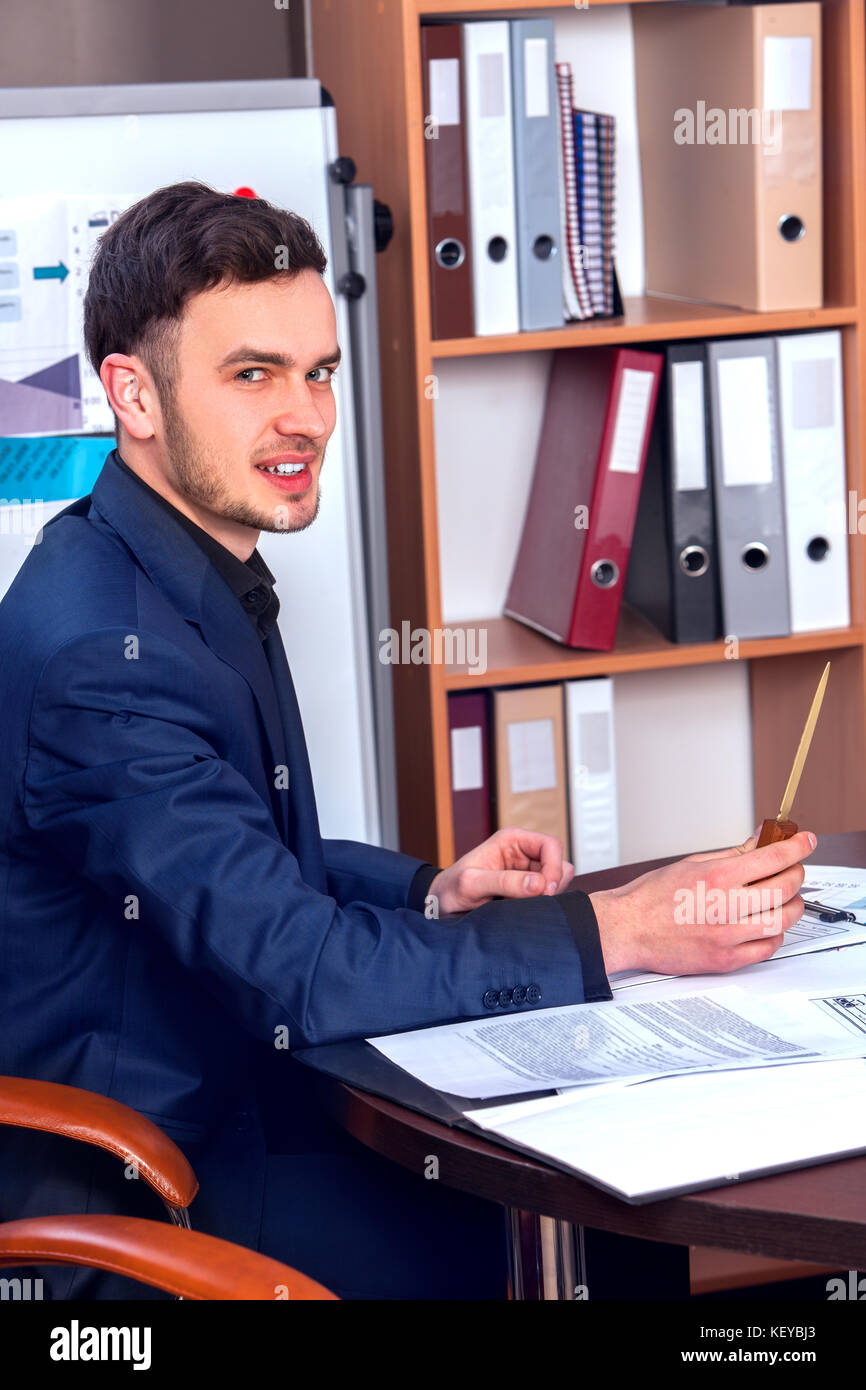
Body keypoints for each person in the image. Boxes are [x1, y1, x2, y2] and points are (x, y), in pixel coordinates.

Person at [0, 182, 814, 1300]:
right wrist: (618, 928)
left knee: (615, 1224)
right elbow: (299, 966)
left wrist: (430, 889)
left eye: (318, 371)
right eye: (252, 375)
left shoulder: (164, 565)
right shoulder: (105, 655)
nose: (306, 417)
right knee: (578, 1242)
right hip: (155, 1189)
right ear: (132, 395)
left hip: (245, 1110)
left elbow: (234, 863)